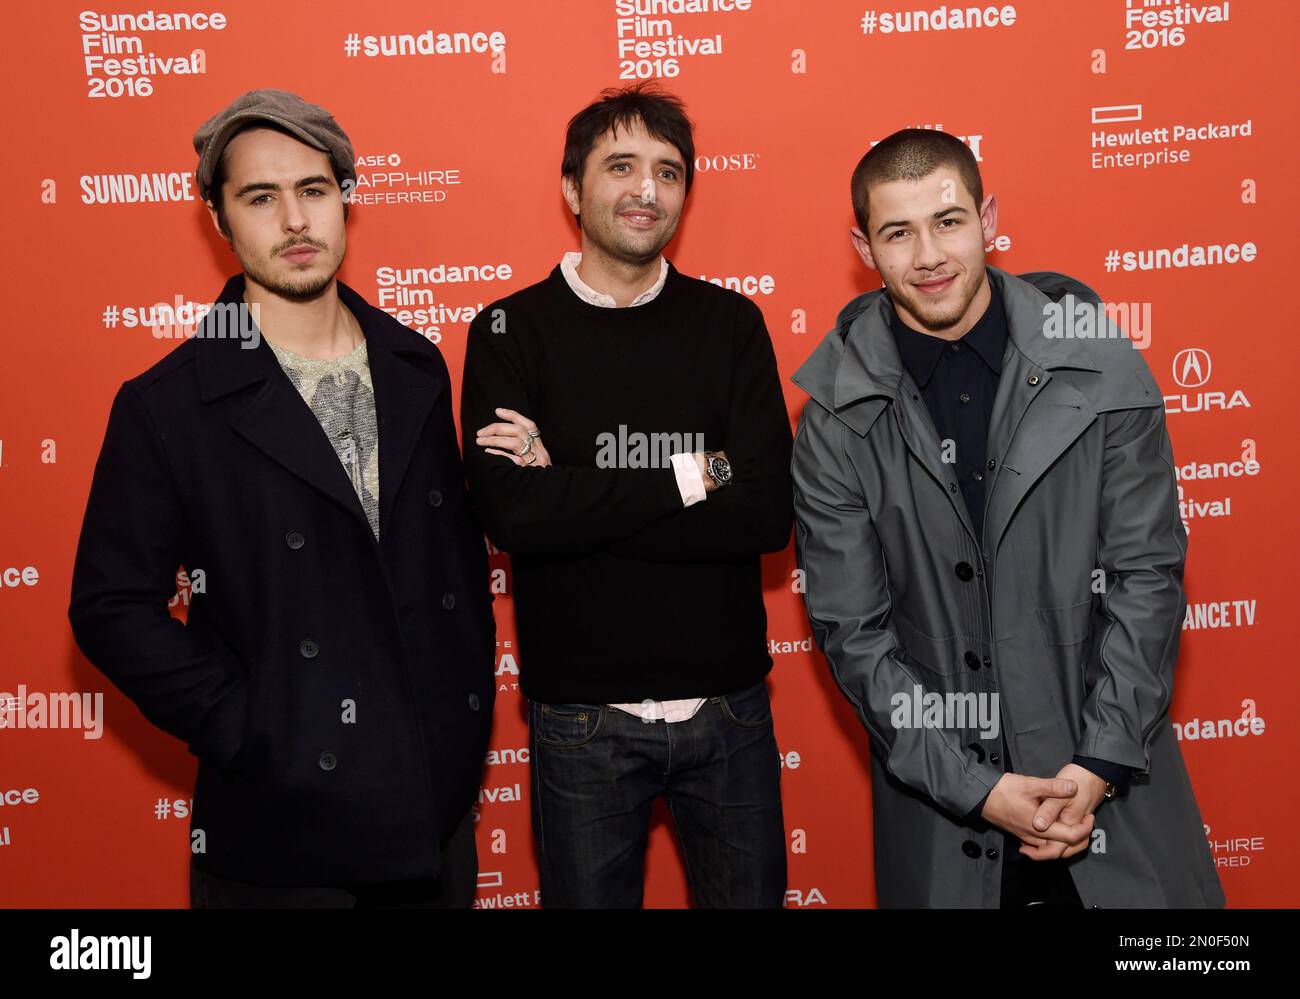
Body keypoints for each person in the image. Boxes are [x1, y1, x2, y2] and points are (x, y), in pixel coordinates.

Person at [68, 88, 495, 908]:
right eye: (261, 197)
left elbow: (451, 567)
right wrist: (248, 723)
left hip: (432, 819)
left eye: (314, 189)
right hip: (282, 837)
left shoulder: (416, 367)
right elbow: (111, 605)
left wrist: (460, 711)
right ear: (220, 221)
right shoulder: (169, 402)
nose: (295, 220)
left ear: (345, 199)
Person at [790, 127, 1224, 908]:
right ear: (863, 245)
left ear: (989, 217)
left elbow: (1146, 578)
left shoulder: (1101, 365)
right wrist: (979, 788)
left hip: (1114, 801)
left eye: (949, 220)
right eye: (898, 232)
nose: (928, 254)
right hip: (945, 827)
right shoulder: (835, 416)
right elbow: (855, 636)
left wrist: (1096, 766)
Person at [460, 83, 792, 908]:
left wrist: (570, 492)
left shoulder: (732, 325)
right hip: (581, 721)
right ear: (572, 188)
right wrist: (697, 472)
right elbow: (512, 516)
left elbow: (764, 511)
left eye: (668, 172)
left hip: (730, 712)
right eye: (621, 166)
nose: (647, 190)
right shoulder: (507, 331)